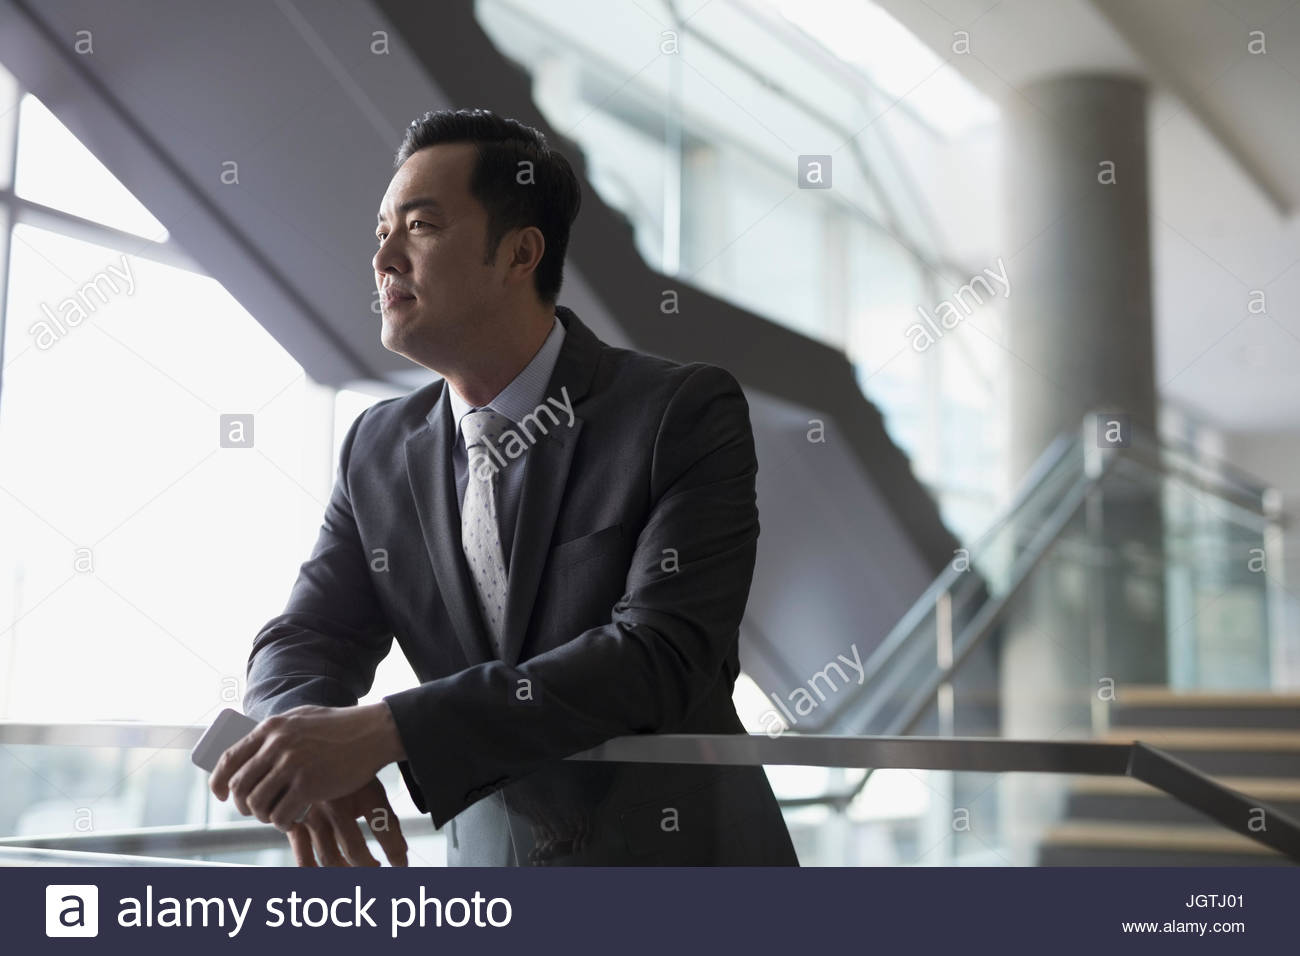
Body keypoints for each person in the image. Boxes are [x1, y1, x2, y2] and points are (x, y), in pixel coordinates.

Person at [209, 108, 797, 867]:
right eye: (381, 230)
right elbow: (306, 637)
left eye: (419, 225)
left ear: (520, 253)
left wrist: (385, 731)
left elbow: (660, 654)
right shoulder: (377, 448)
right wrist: (304, 739)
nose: (385, 256)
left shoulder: (678, 412)